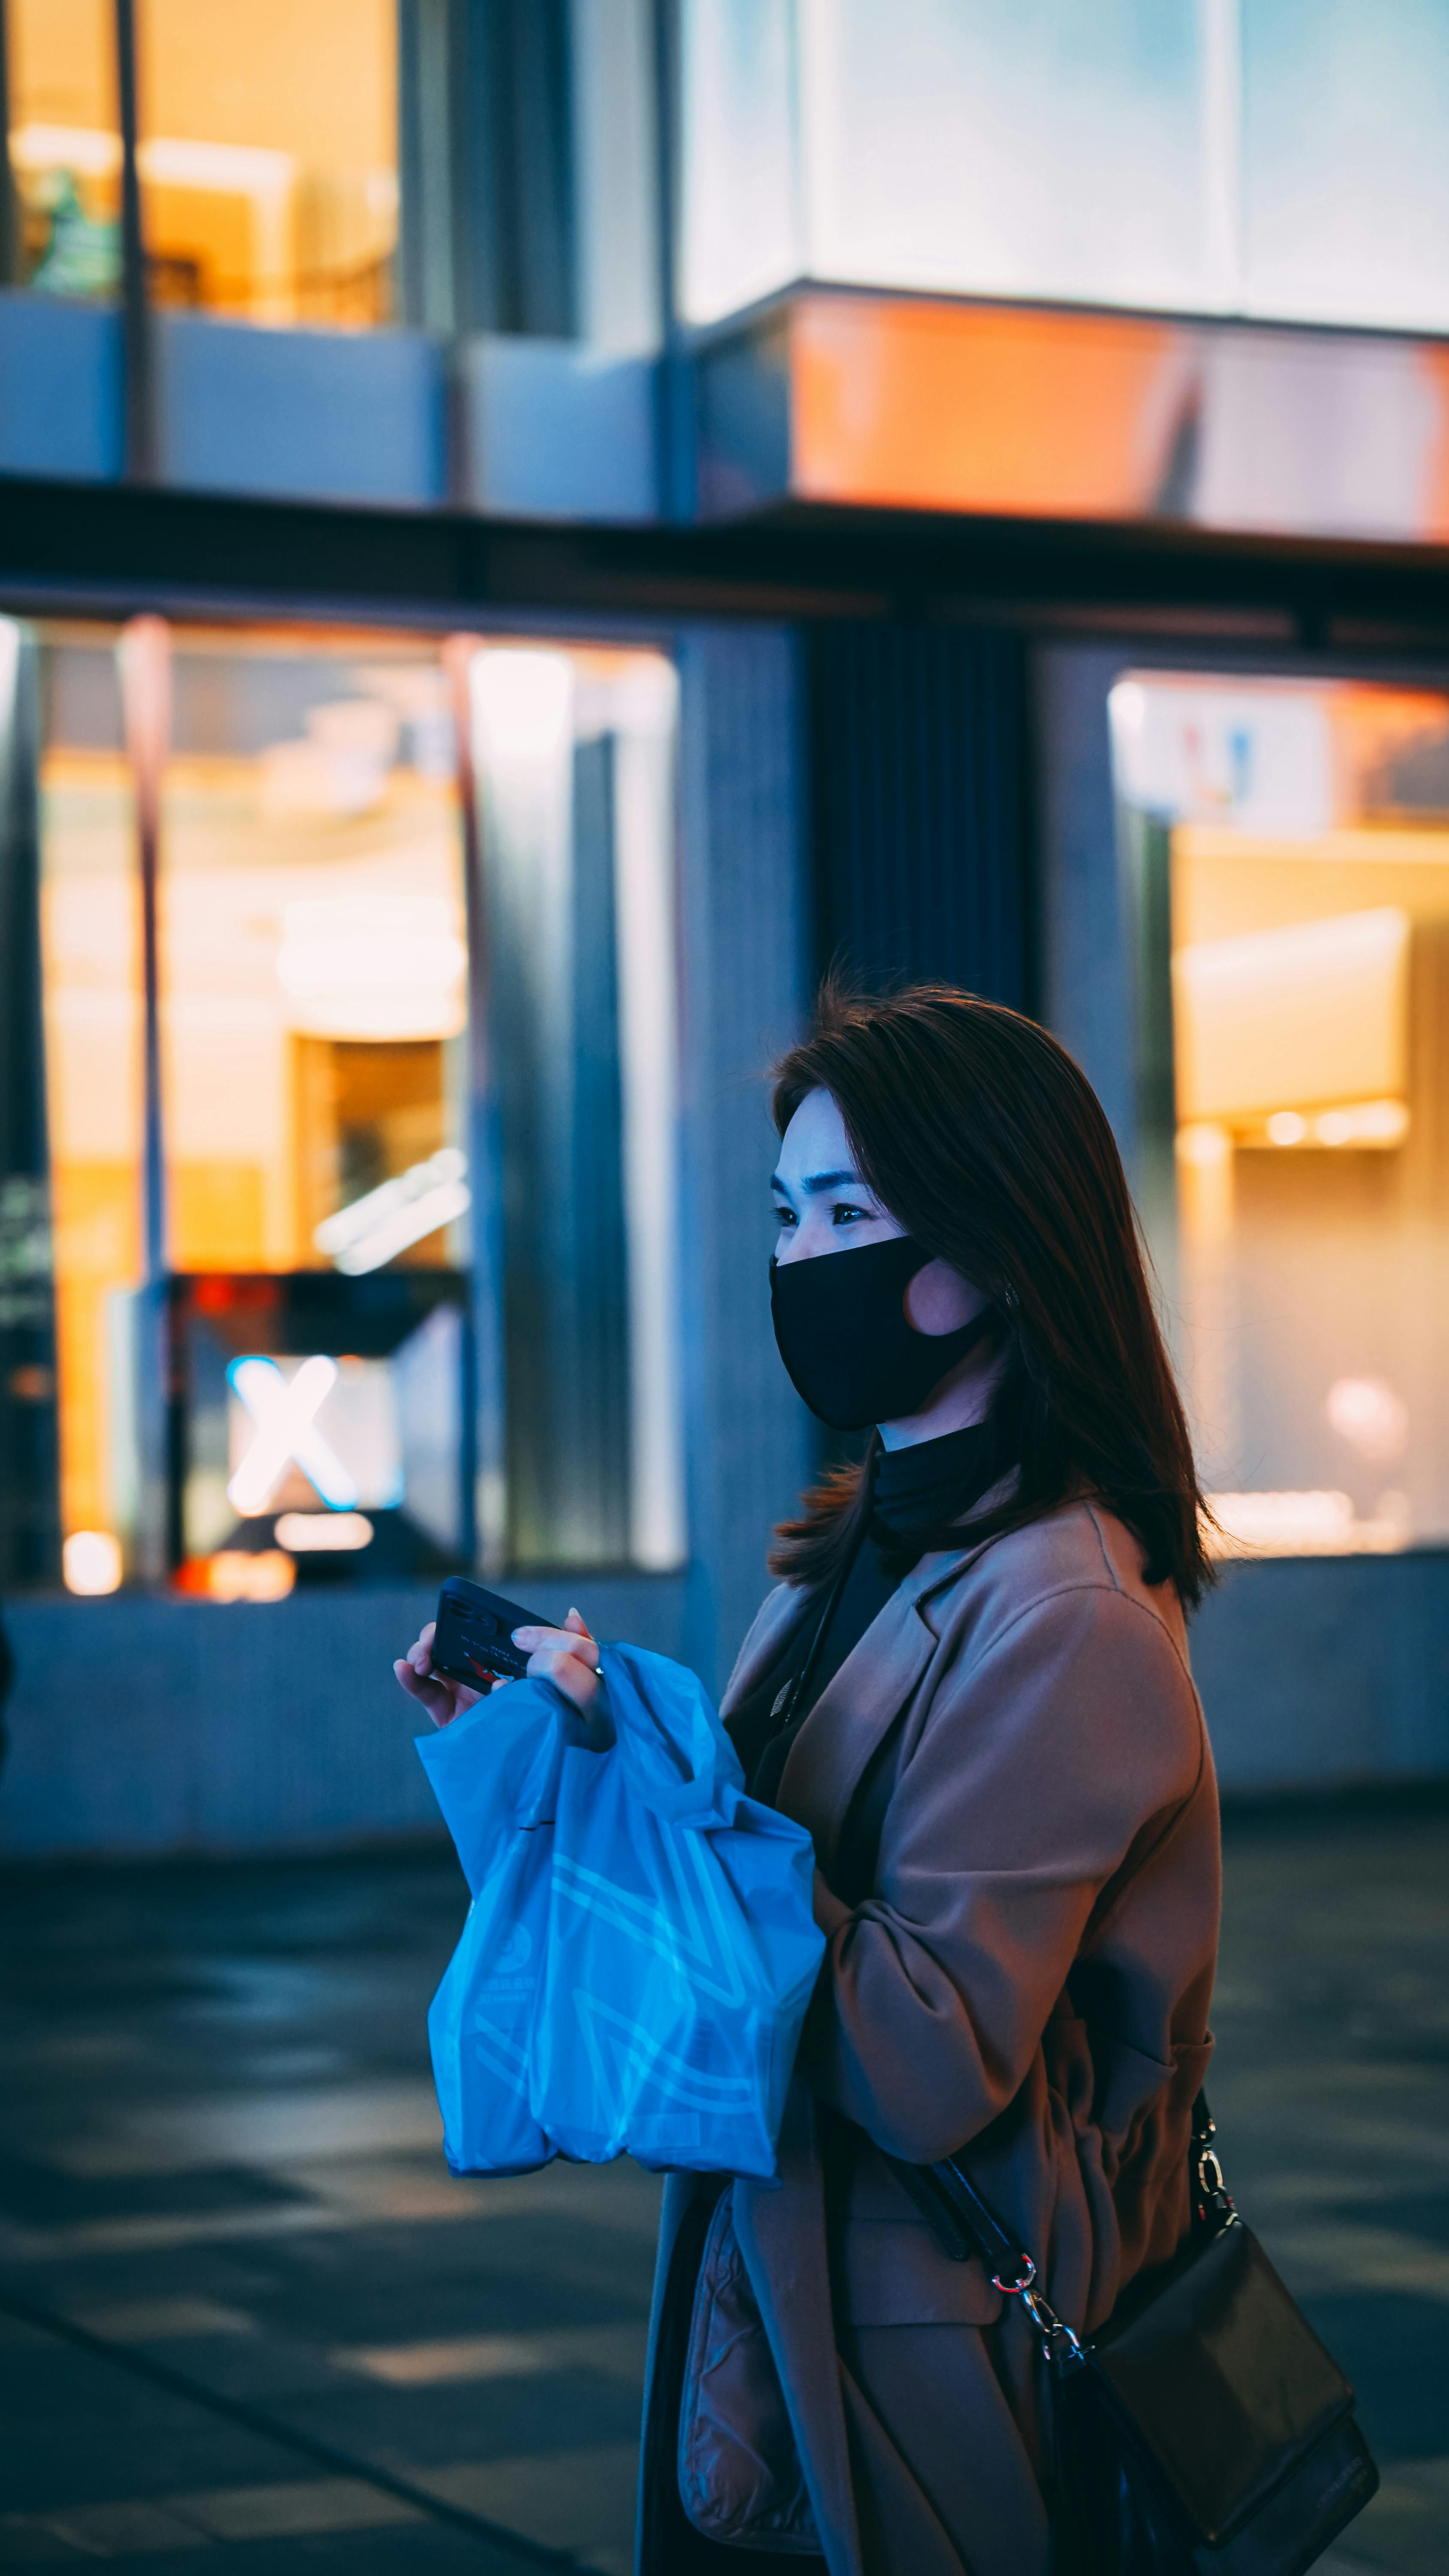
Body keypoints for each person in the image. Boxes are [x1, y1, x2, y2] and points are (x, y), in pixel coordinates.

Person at [395, 982, 1221, 2576]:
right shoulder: (857, 1542)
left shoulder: (1071, 1612)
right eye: (787, 1212)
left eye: (849, 1209)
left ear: (995, 1245)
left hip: (932, 2343)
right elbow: (685, 1957)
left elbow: (927, 2063)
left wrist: (669, 1785)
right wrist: (548, 1753)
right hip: (775, 2292)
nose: (800, 1258)